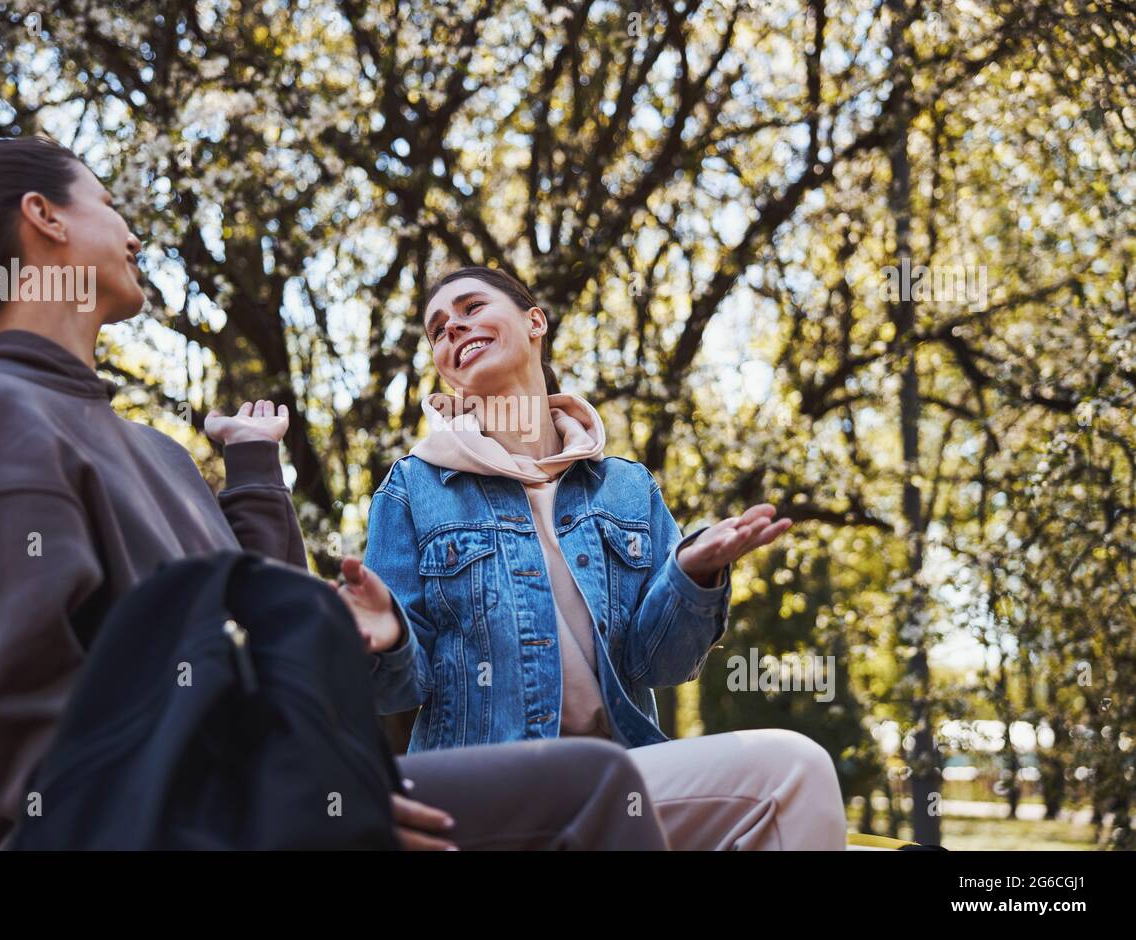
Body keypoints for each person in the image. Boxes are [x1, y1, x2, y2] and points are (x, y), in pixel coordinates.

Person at [0, 139, 666, 851]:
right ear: (45, 218)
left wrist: (257, 477)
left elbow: (260, 638)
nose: (133, 235)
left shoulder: (149, 452)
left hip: (254, 807)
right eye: (109, 204)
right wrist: (274, 811)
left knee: (604, 783)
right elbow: (16, 739)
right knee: (594, 789)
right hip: (144, 830)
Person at [349, 265, 848, 849]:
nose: (453, 328)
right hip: (490, 793)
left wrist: (694, 574)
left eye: (470, 309)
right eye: (437, 329)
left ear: (535, 321)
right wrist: (385, 639)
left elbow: (657, 665)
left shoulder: (628, 489)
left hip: (620, 781)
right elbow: (397, 691)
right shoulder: (412, 490)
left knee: (795, 770)